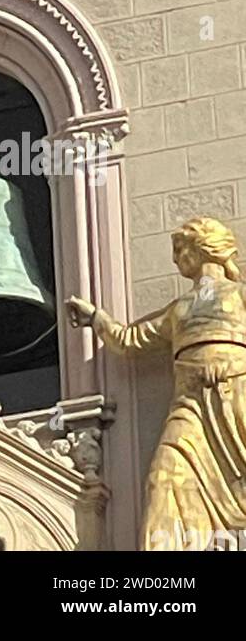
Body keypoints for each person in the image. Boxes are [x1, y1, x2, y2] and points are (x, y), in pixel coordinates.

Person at [67, 217, 246, 551]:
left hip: (238, 395)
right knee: (163, 474)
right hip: (190, 403)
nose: (176, 258)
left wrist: (232, 364)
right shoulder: (179, 309)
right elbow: (130, 339)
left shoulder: (239, 296)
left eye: (181, 249)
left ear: (204, 248)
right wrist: (96, 317)